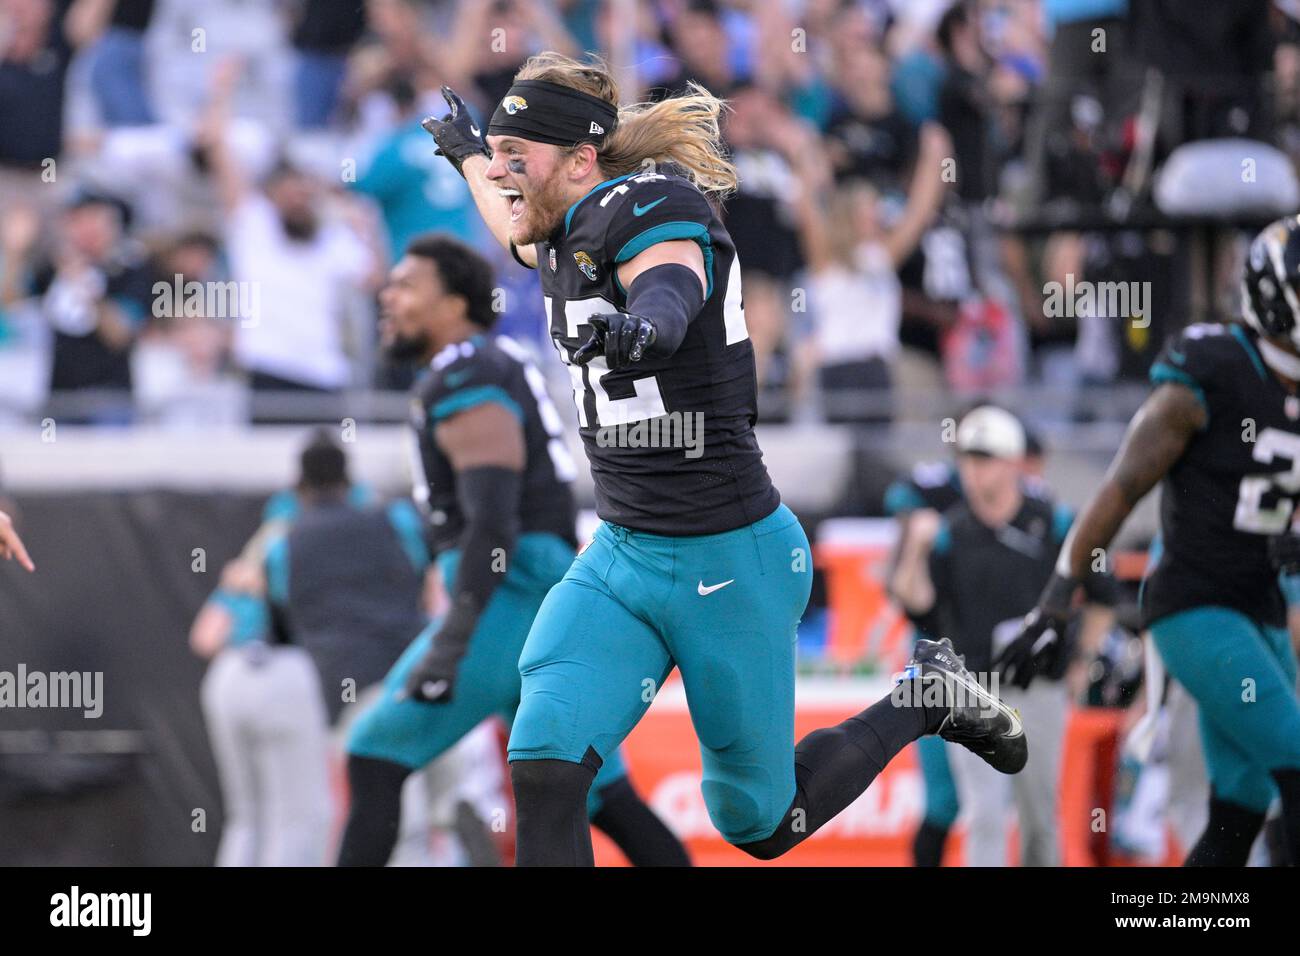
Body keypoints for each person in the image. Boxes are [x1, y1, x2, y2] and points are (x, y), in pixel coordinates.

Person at [422, 51, 1026, 866]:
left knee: (762, 824)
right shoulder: (554, 230)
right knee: (544, 760)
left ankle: (927, 697)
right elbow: (507, 217)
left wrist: (647, 330)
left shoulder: (648, 205)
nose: (499, 174)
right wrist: (465, 153)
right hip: (625, 555)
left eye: (512, 157)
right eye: (494, 156)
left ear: (579, 162)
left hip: (728, 555)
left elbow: (670, 280)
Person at [336, 233, 689, 867]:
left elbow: (493, 520)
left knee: (374, 754)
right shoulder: (489, 360)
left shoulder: (466, 368)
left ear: (454, 304)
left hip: (512, 596)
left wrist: (454, 636)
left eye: (406, 285)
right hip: (541, 589)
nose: (387, 297)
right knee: (599, 793)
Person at [1011, 216, 1300, 866]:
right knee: (1295, 758)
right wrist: (1059, 596)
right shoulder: (1215, 370)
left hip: (1264, 607)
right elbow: (1121, 488)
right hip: (1197, 604)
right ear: (1275, 293)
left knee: (1242, 803)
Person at [892, 405, 1115, 866]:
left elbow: (1103, 594)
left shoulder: (1053, 522)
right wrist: (914, 548)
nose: (973, 470)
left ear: (1013, 462)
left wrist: (1081, 662)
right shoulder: (950, 532)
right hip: (972, 689)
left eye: (985, 458)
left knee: (1040, 819)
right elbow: (918, 608)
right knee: (985, 815)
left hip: (1040, 687)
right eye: (967, 458)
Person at [883, 460, 963, 866]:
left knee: (990, 800)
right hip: (937, 661)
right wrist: (915, 545)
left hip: (984, 660)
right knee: (943, 801)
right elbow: (911, 599)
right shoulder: (932, 511)